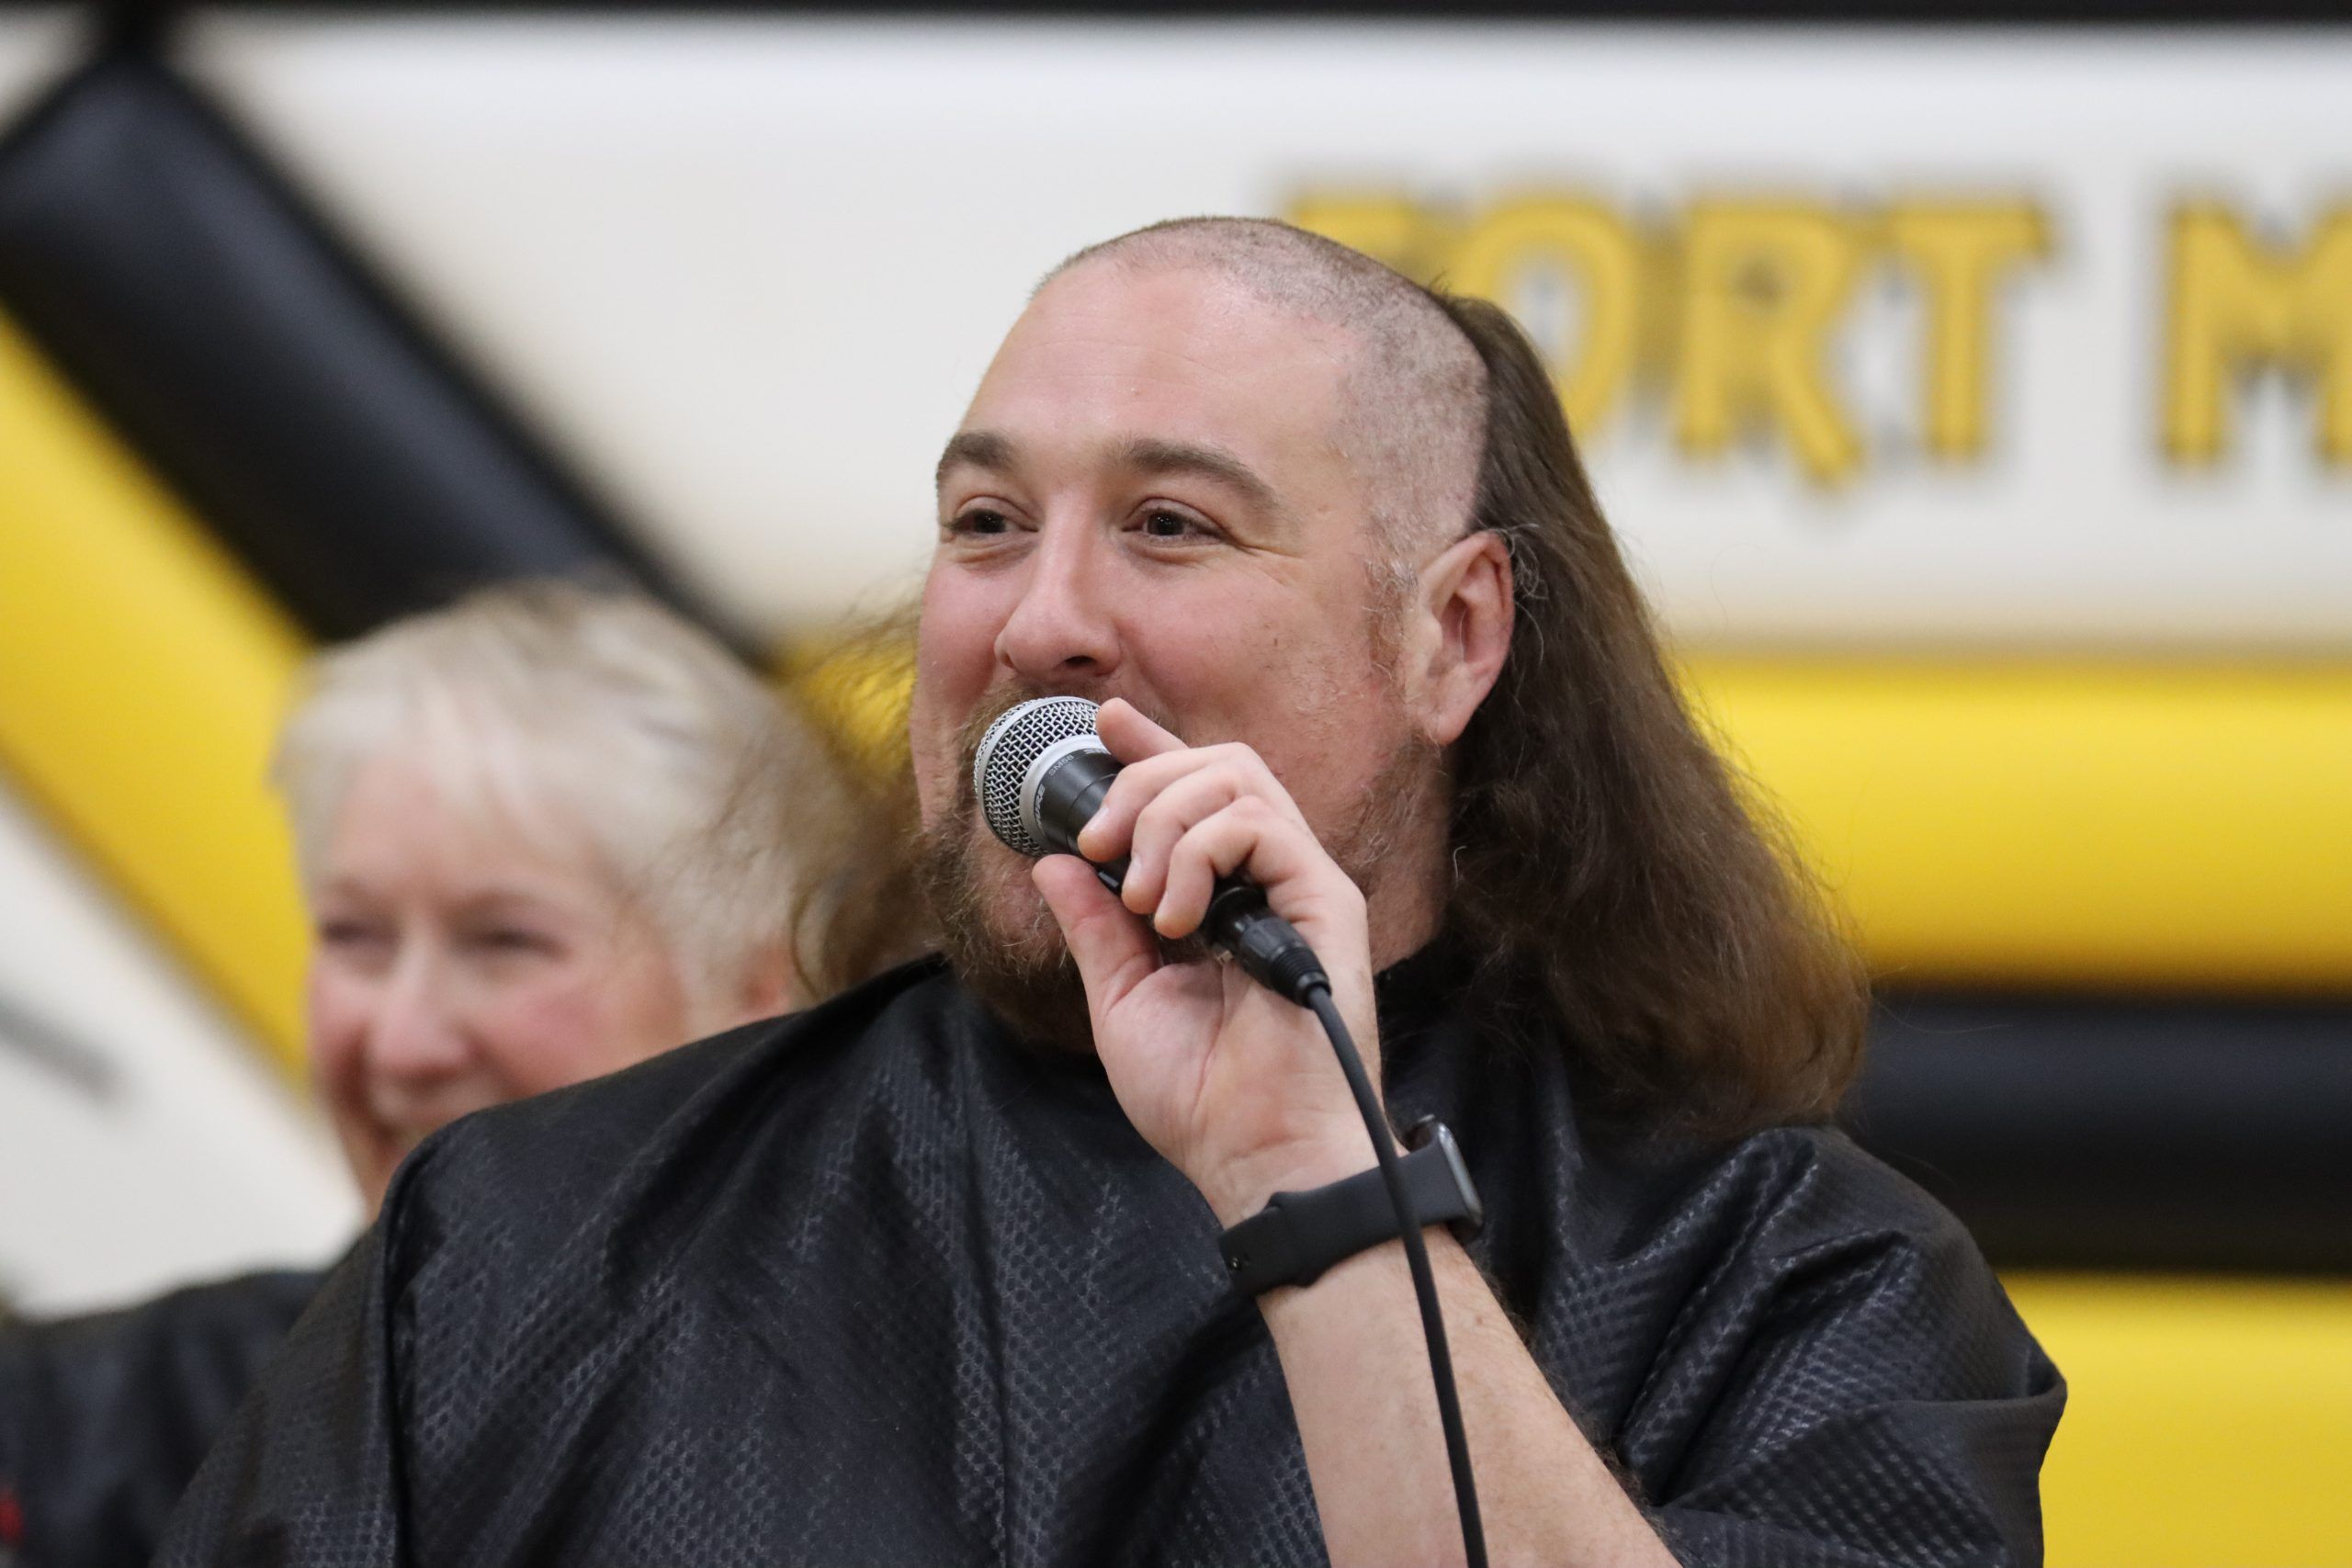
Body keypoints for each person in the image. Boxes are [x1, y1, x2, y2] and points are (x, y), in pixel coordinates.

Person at [156, 220, 2062, 1568]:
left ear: (1451, 636)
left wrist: (1318, 1178)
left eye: (1169, 524)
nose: (1037, 620)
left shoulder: (1788, 1282)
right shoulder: (513, 1243)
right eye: (986, 523)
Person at [0, 583, 905, 1568]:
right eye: (356, 936)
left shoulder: (913, 1441)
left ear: (757, 998)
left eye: (504, 942)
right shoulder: (130, 1415)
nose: (398, 1042)